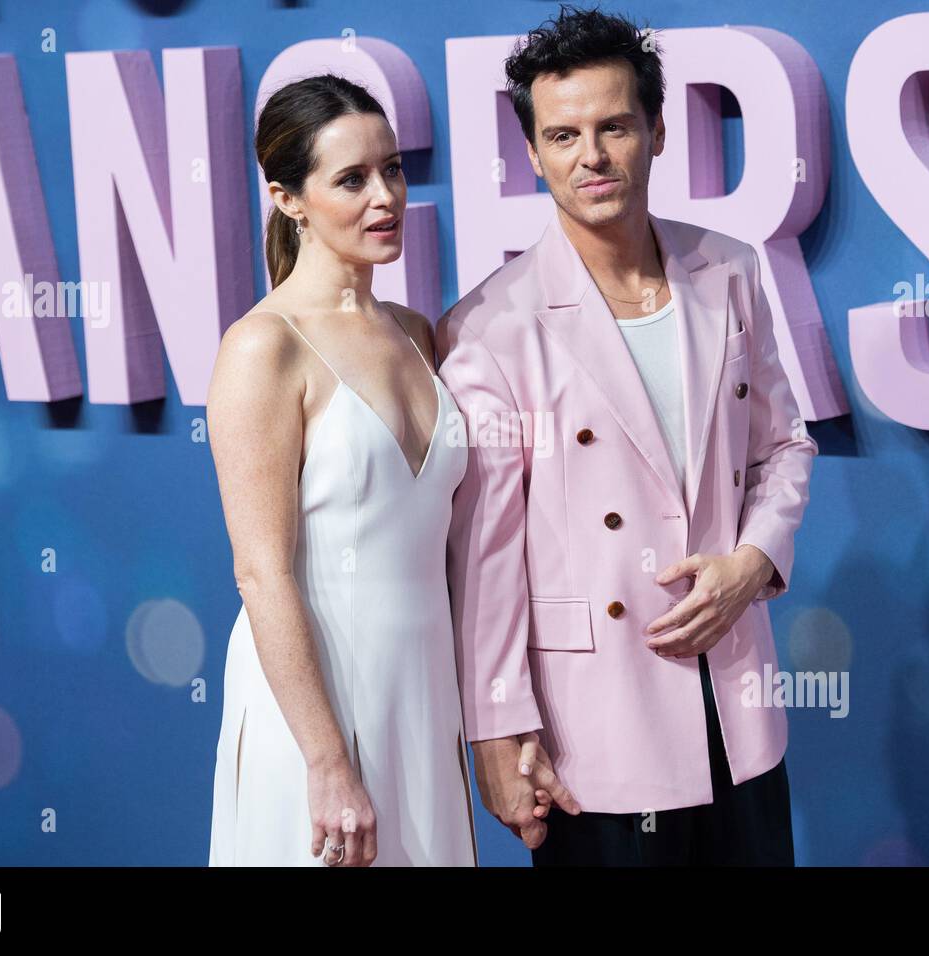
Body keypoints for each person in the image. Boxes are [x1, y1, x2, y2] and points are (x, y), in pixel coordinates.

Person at [437, 6, 818, 866]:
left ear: (657, 129)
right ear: (532, 153)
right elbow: (487, 559)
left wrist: (752, 561)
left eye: (614, 126)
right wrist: (496, 730)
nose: (591, 157)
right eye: (563, 135)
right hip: (594, 727)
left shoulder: (730, 269)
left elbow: (782, 446)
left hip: (738, 704)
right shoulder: (490, 329)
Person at [206, 74, 477, 866]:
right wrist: (326, 764)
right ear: (288, 198)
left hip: (422, 699)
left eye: (392, 169)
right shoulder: (264, 347)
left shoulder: (418, 332)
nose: (384, 195)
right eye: (351, 179)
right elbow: (260, 575)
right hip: (314, 710)